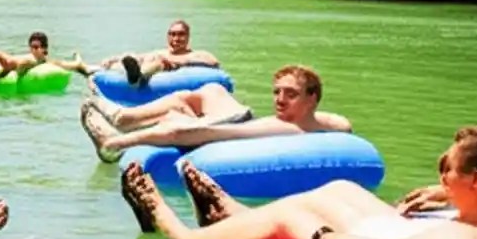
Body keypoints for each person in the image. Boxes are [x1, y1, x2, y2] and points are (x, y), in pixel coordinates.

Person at [118, 125, 477, 239]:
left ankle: (170, 225)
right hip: (402, 230)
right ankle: (234, 213)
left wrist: (322, 236)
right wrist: (444, 192)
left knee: (291, 216)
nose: (441, 172)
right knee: (340, 188)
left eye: (447, 168)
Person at [80, 64, 352, 162]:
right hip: (242, 115)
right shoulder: (319, 121)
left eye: (290, 94)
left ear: (312, 97)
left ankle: (115, 138)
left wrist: (119, 144)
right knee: (210, 90)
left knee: (178, 115)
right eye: (276, 92)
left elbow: (203, 132)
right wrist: (311, 116)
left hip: (231, 127)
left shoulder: (282, 128)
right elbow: (342, 124)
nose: (279, 100)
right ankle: (123, 118)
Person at [0, 32, 95, 87]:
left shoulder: (48, 62)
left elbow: (72, 65)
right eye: (31, 47)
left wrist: (79, 62)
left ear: (44, 49)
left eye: (36, 47)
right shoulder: (31, 58)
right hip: (7, 62)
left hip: (10, 66)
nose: (33, 50)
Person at [97, 20, 220, 86]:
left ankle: (138, 77)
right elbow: (139, 57)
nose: (176, 39)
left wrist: (175, 61)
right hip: (144, 68)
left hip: (160, 75)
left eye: (181, 34)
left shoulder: (195, 54)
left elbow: (214, 62)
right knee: (130, 57)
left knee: (159, 62)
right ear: (167, 36)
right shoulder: (160, 52)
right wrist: (112, 59)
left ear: (188, 36)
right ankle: (88, 68)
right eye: (172, 34)